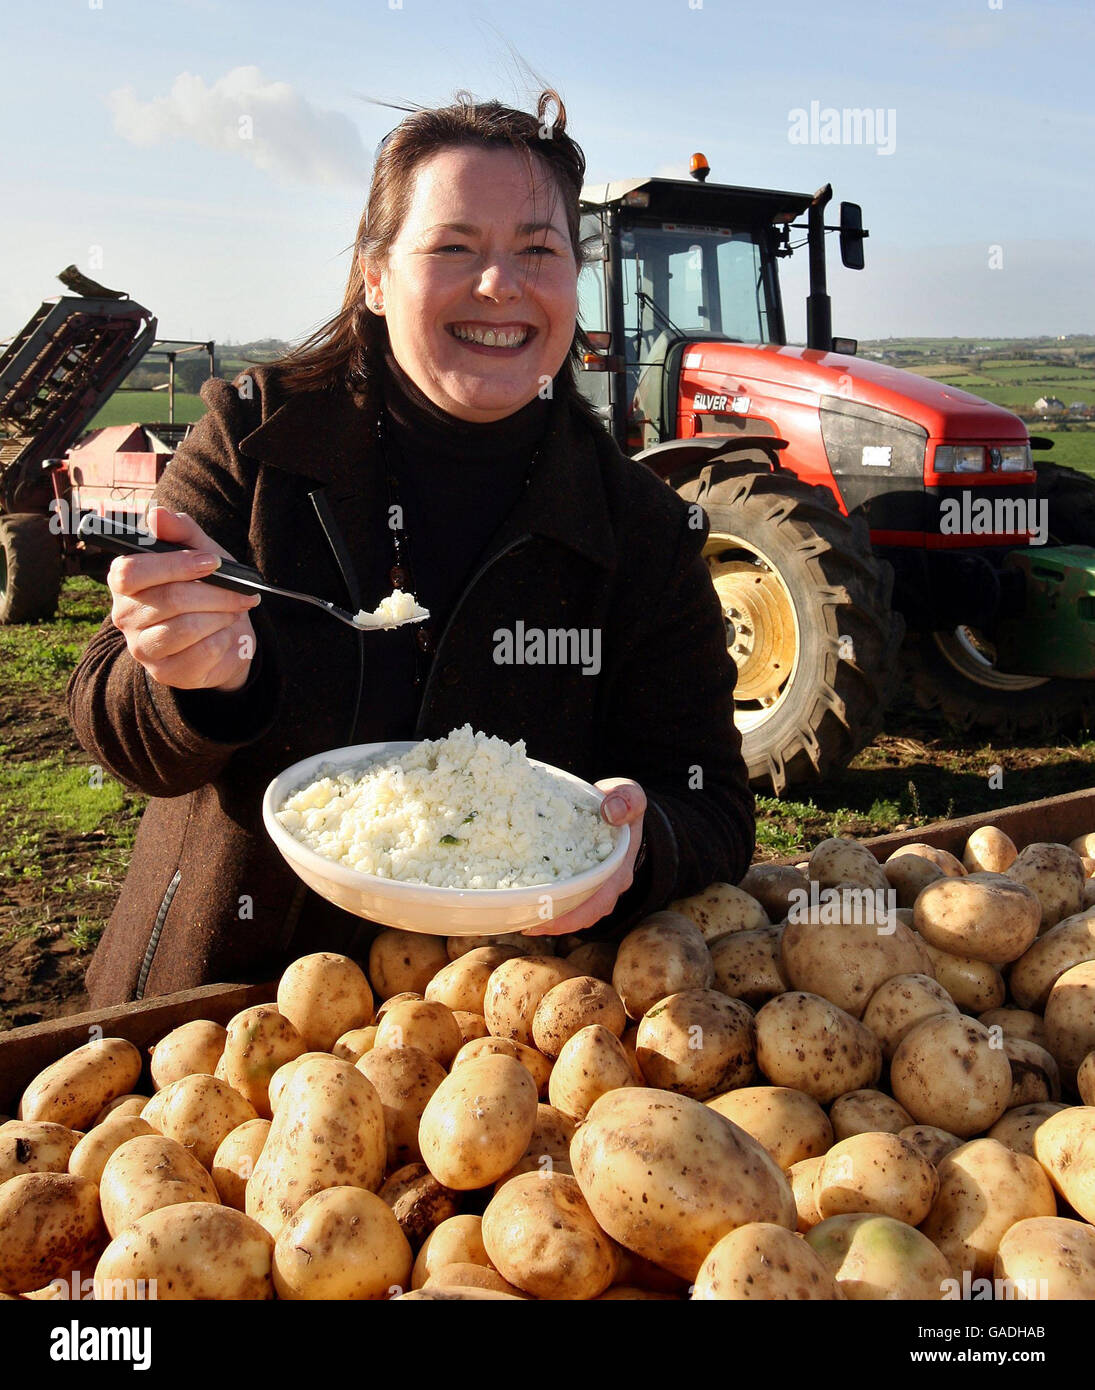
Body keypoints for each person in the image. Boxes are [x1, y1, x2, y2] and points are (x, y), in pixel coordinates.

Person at [67, 89, 756, 1007]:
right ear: (375, 276)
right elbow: (113, 720)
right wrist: (196, 680)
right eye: (454, 247)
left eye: (538, 251)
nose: (499, 285)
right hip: (224, 1016)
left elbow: (707, 804)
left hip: (492, 1041)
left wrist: (638, 845)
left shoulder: (641, 530)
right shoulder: (257, 440)